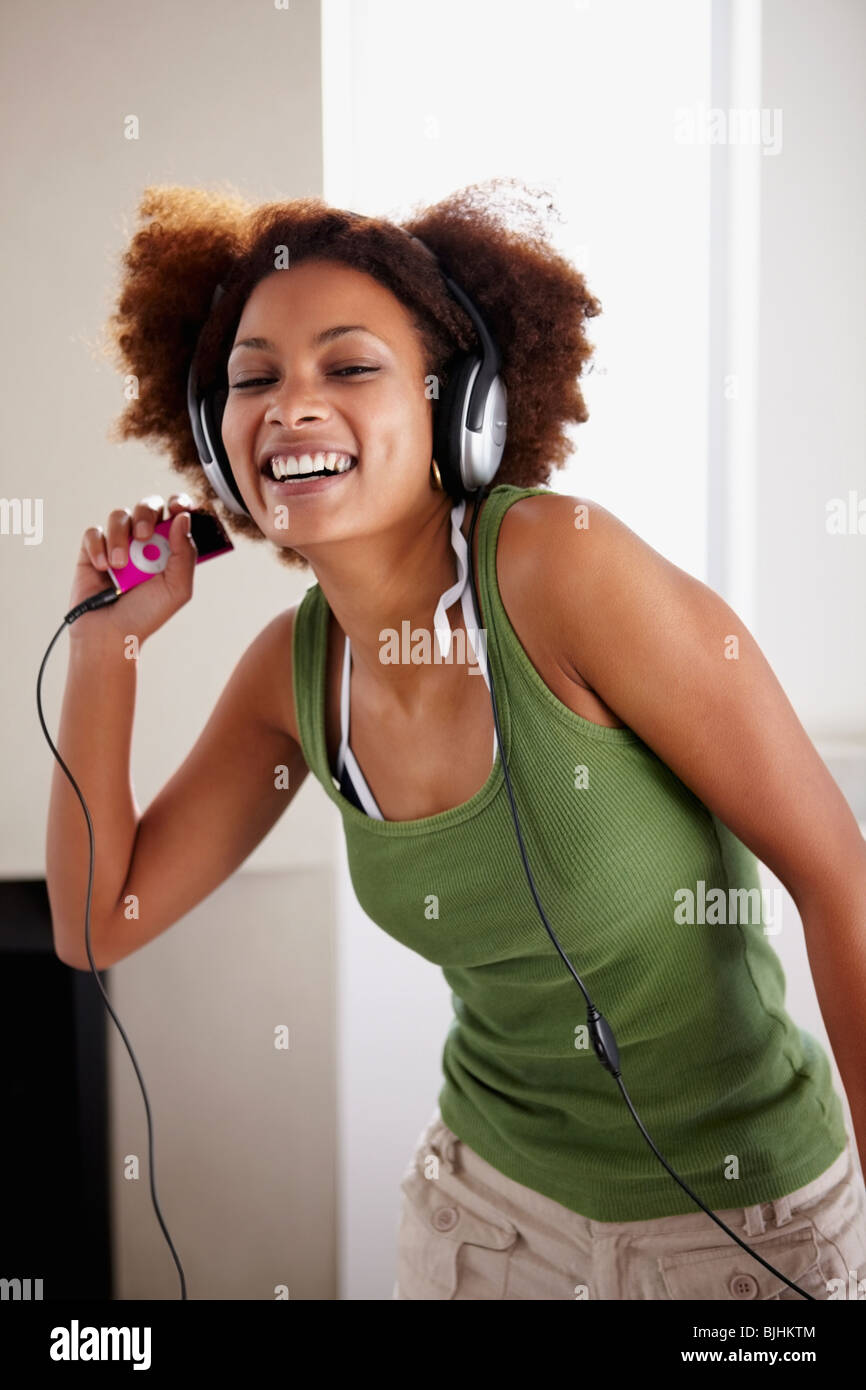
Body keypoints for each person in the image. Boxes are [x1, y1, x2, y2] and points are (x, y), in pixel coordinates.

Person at [46, 178, 866, 1300]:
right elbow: (100, 923)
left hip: (739, 1226)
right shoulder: (293, 679)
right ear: (211, 433)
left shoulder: (560, 570)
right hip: (482, 1221)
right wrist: (107, 648)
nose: (289, 404)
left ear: (457, 408)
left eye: (348, 366)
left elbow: (837, 877)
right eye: (252, 379)